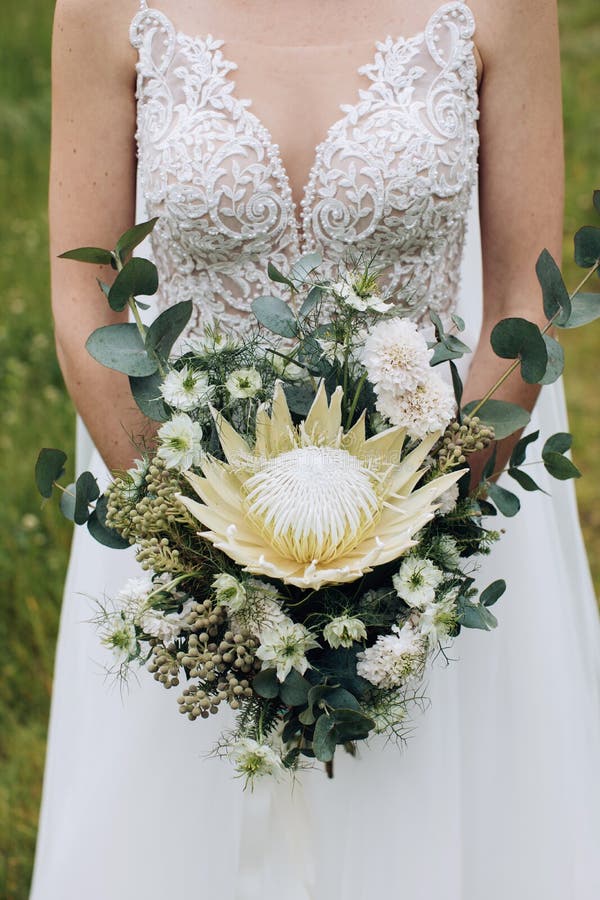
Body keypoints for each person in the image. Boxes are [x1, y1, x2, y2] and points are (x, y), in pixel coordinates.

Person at [31, 1, 600, 897]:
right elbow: (83, 295)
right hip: (185, 513)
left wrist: (411, 537)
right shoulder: (105, 8)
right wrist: (195, 547)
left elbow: (520, 304)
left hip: (436, 519)